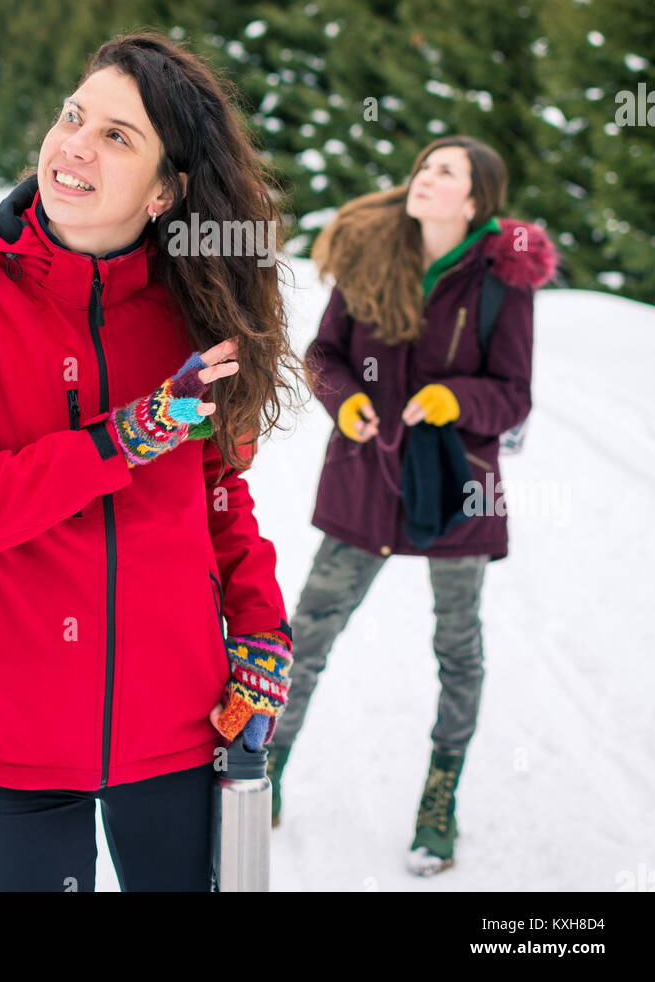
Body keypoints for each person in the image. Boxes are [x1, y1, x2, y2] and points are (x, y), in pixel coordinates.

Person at [0, 31, 308, 893]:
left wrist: (260, 627)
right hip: (11, 732)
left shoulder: (193, 304)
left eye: (119, 135)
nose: (74, 143)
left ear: (165, 192)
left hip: (177, 723)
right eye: (76, 115)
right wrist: (120, 440)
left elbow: (218, 493)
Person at [265, 135, 559, 876]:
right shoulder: (371, 251)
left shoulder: (502, 281)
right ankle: (267, 767)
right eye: (425, 164)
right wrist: (346, 401)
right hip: (365, 477)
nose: (426, 177)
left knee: (457, 649)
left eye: (447, 171)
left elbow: (514, 396)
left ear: (476, 199)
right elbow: (323, 354)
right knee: (308, 633)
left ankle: (440, 796)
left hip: (458, 488)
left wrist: (453, 397)